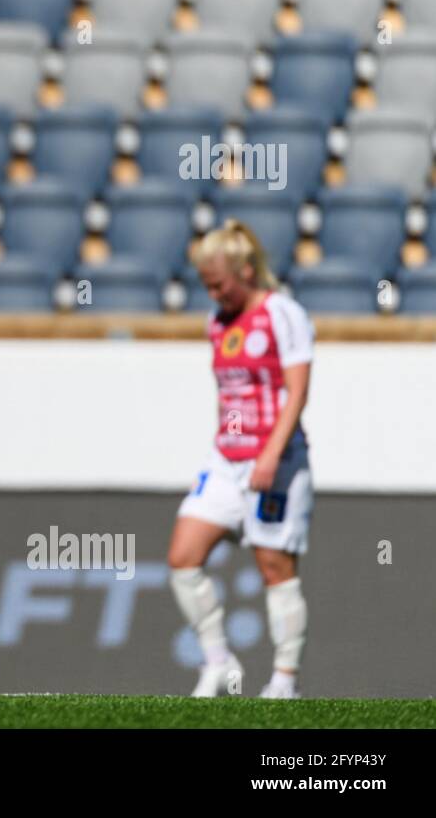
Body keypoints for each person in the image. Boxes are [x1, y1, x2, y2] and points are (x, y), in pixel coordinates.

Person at [168, 220, 314, 699]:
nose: (213, 293)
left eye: (219, 283)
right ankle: (218, 661)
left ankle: (284, 681)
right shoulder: (218, 321)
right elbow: (228, 393)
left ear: (246, 271)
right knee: (183, 557)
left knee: (274, 565)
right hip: (226, 459)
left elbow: (296, 392)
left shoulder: (283, 314)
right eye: (206, 285)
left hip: (276, 459)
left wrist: (270, 454)